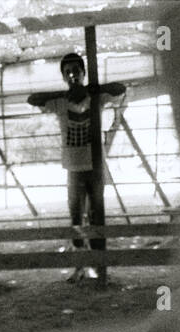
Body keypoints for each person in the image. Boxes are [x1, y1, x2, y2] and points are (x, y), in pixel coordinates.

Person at [28, 53, 125, 283]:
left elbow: (120, 88)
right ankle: (80, 267)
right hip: (73, 168)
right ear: (63, 77)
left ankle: (99, 268)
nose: (73, 74)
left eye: (76, 70)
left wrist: (90, 89)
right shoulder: (61, 102)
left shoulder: (96, 97)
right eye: (68, 72)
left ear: (83, 73)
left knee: (97, 217)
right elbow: (32, 99)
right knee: (76, 219)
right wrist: (65, 93)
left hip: (95, 167)